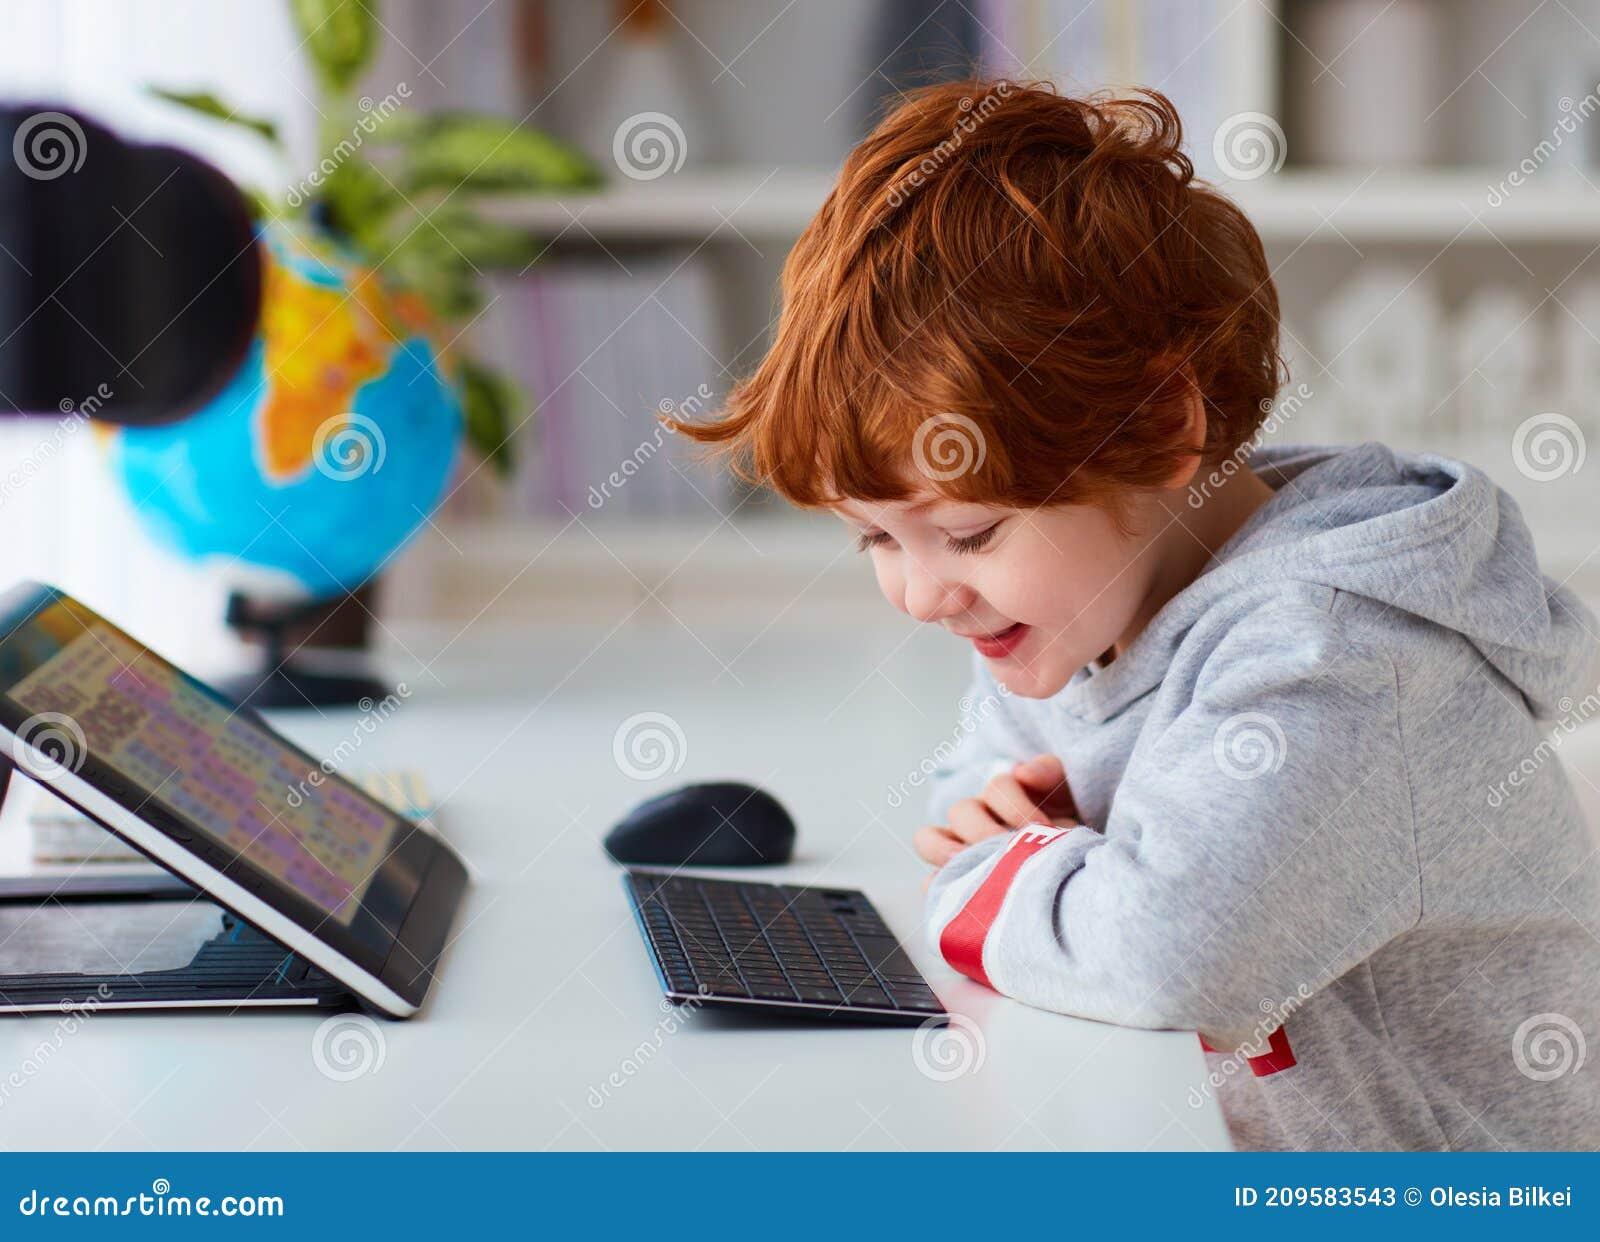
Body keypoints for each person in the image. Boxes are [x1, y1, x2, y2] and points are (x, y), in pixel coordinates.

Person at [667, 79, 1600, 1151]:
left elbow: (1167, 950)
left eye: (968, 534)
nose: (922, 595)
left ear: (1161, 431)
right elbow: (974, 798)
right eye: (876, 539)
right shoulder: (1080, 606)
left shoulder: (1343, 655)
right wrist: (1045, 865)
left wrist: (1014, 871)